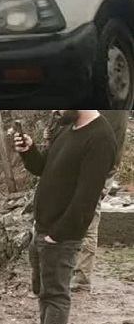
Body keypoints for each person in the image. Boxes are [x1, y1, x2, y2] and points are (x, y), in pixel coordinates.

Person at [11, 110, 116, 324]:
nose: (57, 109)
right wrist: (28, 151)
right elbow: (42, 168)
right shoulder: (68, 128)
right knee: (44, 290)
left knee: (56, 295)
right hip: (44, 227)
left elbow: (86, 199)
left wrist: (57, 235)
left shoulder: (100, 139)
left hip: (60, 235)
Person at [44, 110, 129, 292]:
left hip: (98, 158)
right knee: (83, 207)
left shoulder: (102, 116)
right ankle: (72, 269)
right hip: (92, 156)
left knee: (89, 209)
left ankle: (81, 274)